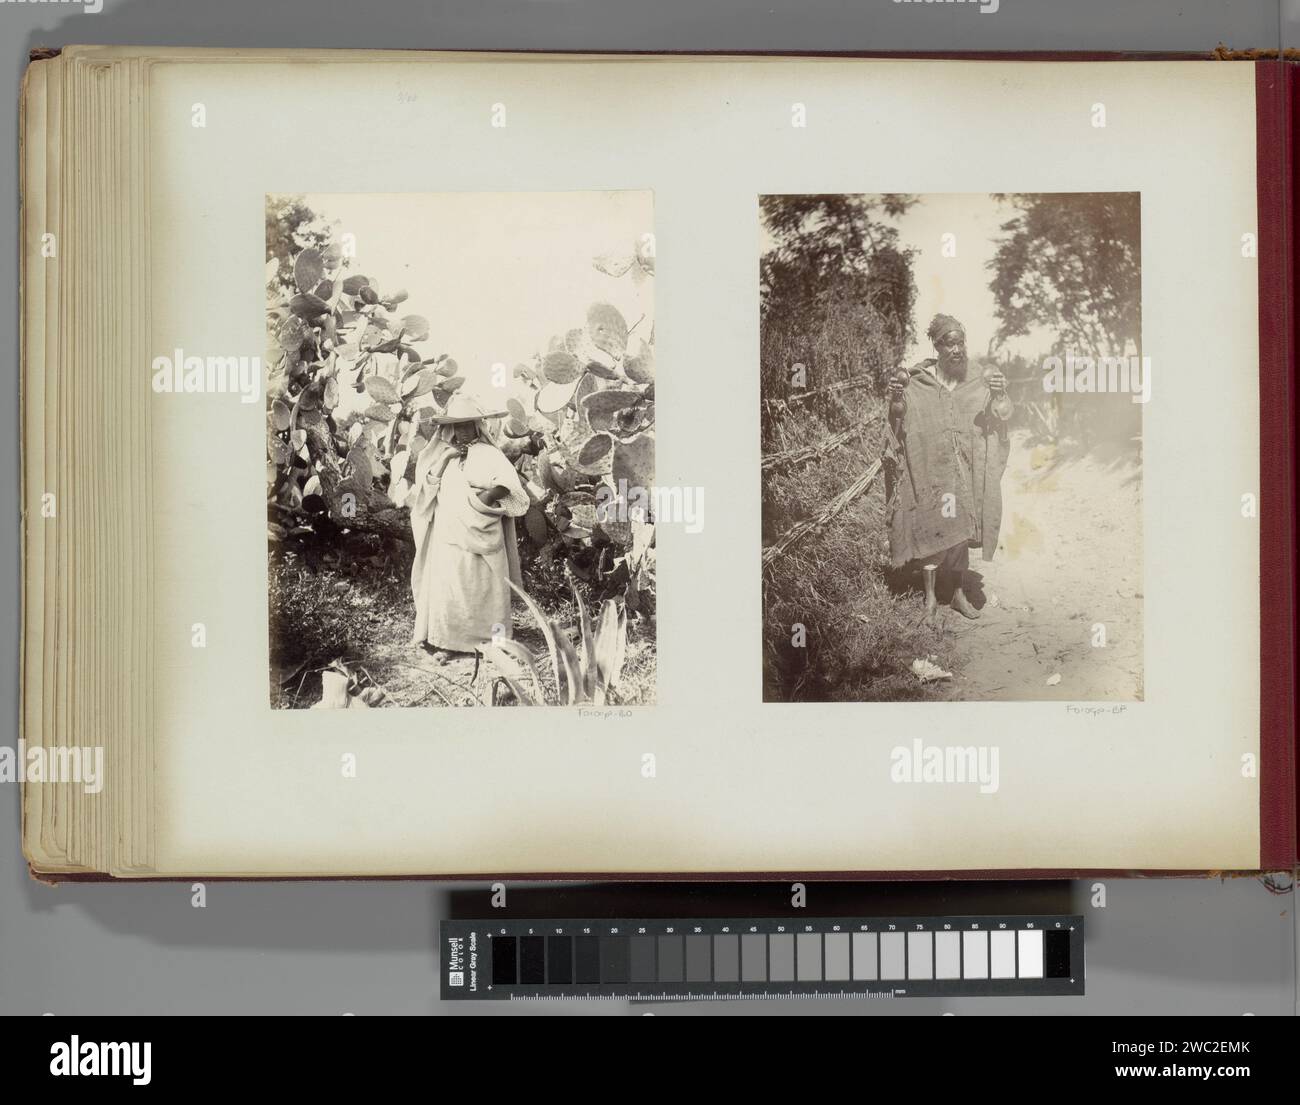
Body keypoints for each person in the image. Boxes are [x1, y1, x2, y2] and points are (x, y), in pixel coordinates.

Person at [885, 313, 1011, 619]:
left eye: (960, 342)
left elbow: (1000, 414)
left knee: (960, 534)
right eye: (949, 343)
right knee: (931, 530)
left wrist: (999, 392)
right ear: (937, 347)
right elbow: (898, 417)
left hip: (964, 472)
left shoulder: (976, 379)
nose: (956, 349)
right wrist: (897, 397)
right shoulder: (918, 382)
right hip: (932, 471)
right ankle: (929, 599)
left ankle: (957, 595)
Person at [408, 393, 530, 662]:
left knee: (486, 587)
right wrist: (446, 458)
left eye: (467, 424)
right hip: (448, 534)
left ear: (477, 425)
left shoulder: (489, 453)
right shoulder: (439, 454)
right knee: (451, 587)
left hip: (483, 529)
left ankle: (493, 642)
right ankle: (447, 643)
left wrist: (484, 498)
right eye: (457, 425)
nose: (462, 430)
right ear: (448, 427)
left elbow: (510, 486)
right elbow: (425, 493)